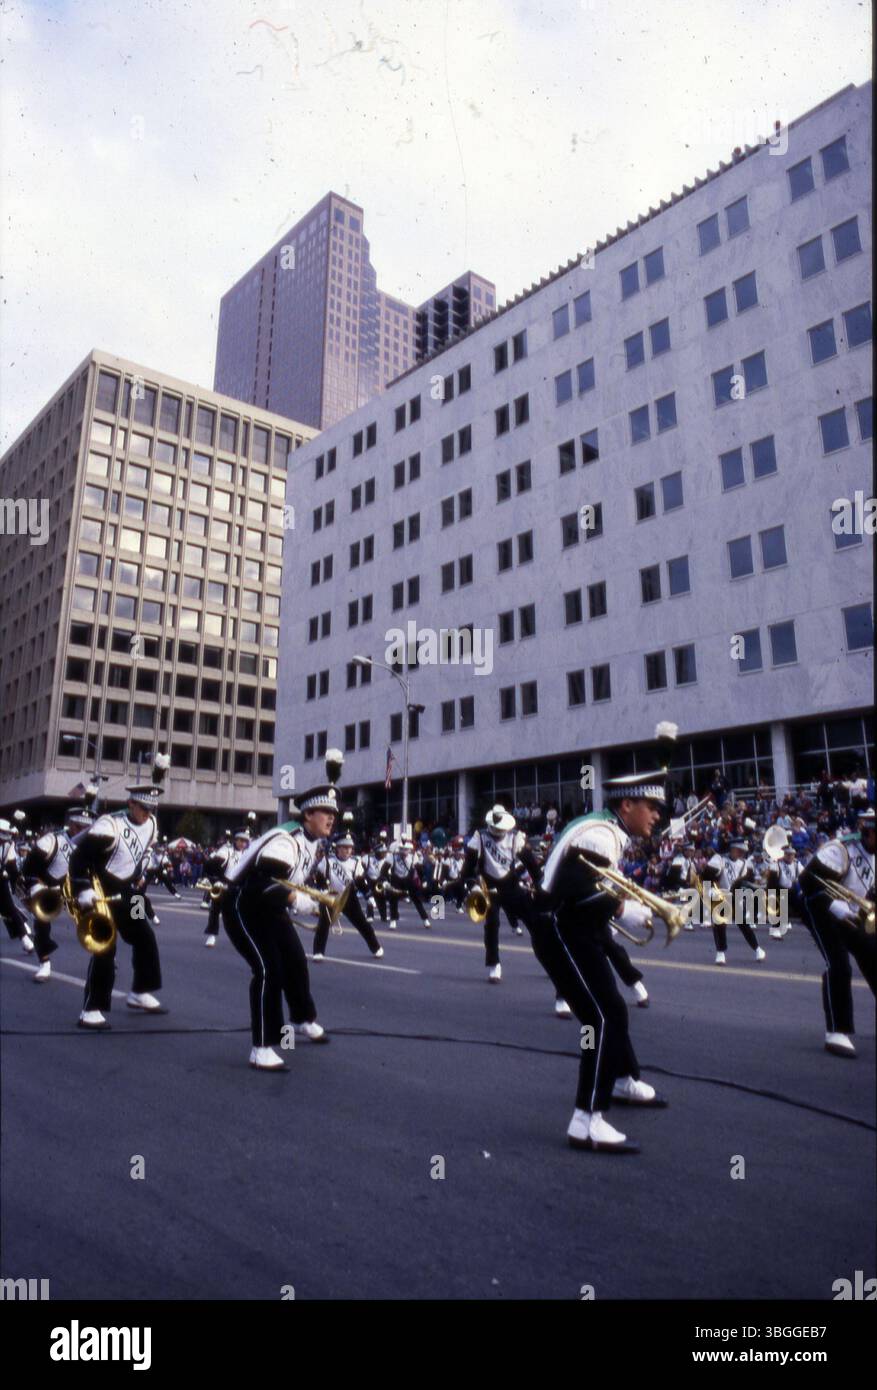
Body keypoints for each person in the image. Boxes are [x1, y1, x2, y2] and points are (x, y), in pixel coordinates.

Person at [530, 770, 671, 1154]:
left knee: (611, 1007)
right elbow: (574, 887)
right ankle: (586, 1119)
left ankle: (624, 1079)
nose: (657, 815)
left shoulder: (607, 830)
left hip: (577, 927)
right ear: (627, 805)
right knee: (602, 1017)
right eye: (651, 807)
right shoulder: (601, 835)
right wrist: (624, 908)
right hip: (561, 928)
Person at [222, 778, 339, 1071]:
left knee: (296, 961)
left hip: (268, 906)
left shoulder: (311, 843)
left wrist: (308, 900)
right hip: (243, 905)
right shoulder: (286, 840)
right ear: (309, 814)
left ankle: (301, 1019)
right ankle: (261, 1047)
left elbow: (287, 883)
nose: (331, 818)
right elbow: (261, 883)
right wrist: (299, 901)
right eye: (326, 812)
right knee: (267, 970)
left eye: (334, 813)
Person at [69, 756, 171, 1029]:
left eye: (151, 808)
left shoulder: (151, 825)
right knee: (105, 944)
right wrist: (84, 890)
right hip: (102, 889)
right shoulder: (109, 826)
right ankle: (91, 1009)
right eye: (143, 808)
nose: (147, 813)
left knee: (144, 934)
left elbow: (145, 851)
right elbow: (79, 858)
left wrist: (143, 871)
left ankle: (140, 991)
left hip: (129, 890)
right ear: (131, 804)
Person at [798, 807, 875, 1058]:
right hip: (819, 906)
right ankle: (836, 1032)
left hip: (852, 910)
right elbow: (807, 881)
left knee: (873, 955)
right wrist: (836, 907)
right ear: (868, 832)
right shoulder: (841, 850)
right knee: (839, 964)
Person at [458, 805, 542, 983]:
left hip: (511, 886)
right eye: (494, 828)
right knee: (492, 924)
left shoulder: (515, 838)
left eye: (500, 829)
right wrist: (473, 886)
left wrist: (541, 886)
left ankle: (550, 961)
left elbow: (532, 865)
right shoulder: (479, 837)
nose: (497, 832)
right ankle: (494, 965)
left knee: (536, 922)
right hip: (488, 888)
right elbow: (468, 868)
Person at [22, 795, 97, 981]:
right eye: (79, 827)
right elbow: (28, 869)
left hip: (72, 887)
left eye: (87, 828)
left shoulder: (90, 846)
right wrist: (35, 888)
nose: (83, 831)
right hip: (46, 887)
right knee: (41, 924)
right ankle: (44, 964)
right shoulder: (49, 842)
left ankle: (103, 956)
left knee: (91, 918)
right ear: (71, 825)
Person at [312, 833, 383, 961]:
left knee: (362, 923)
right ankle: (318, 952)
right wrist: (321, 889)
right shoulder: (327, 861)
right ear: (337, 848)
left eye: (349, 848)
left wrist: (369, 897)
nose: (347, 850)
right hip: (330, 895)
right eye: (344, 847)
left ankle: (376, 947)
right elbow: (319, 877)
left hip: (348, 896)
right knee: (323, 924)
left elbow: (361, 881)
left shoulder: (355, 862)